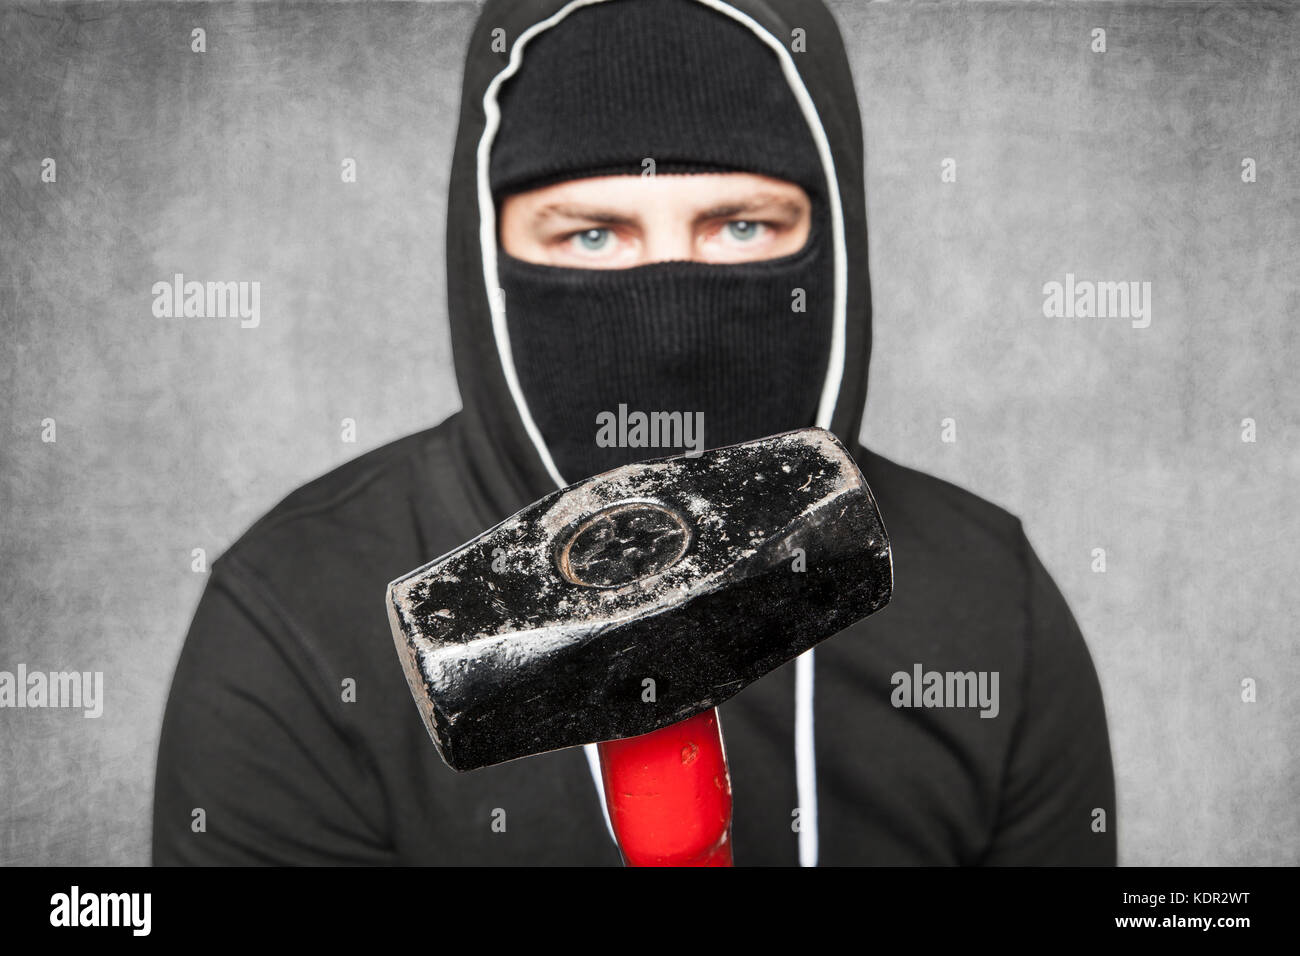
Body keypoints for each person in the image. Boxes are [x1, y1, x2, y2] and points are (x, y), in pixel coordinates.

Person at [153, 0, 1116, 866]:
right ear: (486, 260)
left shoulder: (992, 598)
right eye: (592, 235)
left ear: (837, 241)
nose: (670, 327)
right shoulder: (294, 621)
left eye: (741, 227)